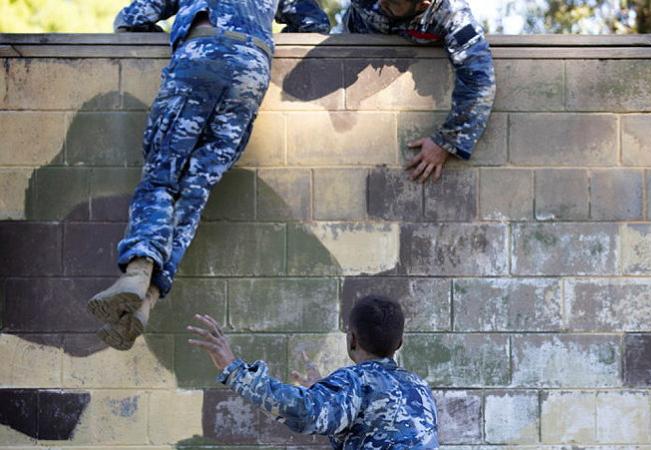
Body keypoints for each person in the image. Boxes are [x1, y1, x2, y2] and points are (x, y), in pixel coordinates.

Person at [86, 0, 330, 351]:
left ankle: (138, 272)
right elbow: (314, 23)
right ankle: (148, 300)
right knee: (194, 188)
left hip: (202, 54)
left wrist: (176, 36)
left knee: (162, 173)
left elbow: (132, 19)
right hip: (252, 69)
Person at [188, 295, 439, 449]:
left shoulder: (356, 383)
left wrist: (234, 370)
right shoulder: (419, 388)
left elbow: (304, 412)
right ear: (399, 343)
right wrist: (325, 390)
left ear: (352, 339)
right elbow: (368, 433)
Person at [343, 0, 496, 183]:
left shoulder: (453, 15)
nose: (381, 3)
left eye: (393, 2)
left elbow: (479, 80)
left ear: (423, 5)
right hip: (358, 37)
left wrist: (447, 141)